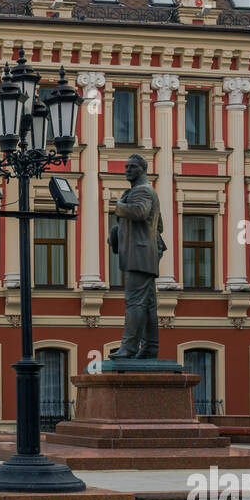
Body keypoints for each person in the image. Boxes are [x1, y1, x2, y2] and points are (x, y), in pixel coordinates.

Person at [108, 154, 165, 359]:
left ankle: (129, 348)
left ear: (143, 169)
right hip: (145, 254)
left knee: (134, 302)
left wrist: (118, 206)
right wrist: (118, 232)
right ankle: (150, 347)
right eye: (126, 166)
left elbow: (140, 212)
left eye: (132, 166)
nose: (127, 169)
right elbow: (158, 226)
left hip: (139, 256)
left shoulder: (142, 191)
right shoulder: (143, 191)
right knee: (148, 304)